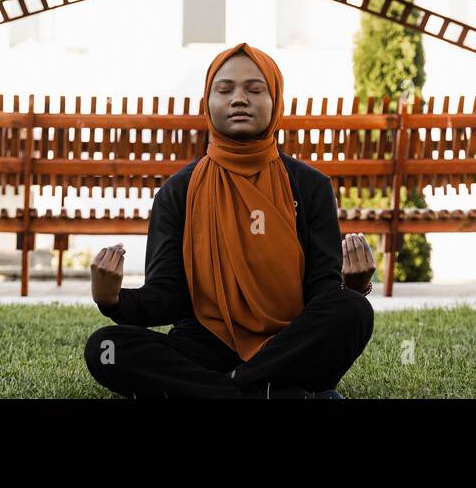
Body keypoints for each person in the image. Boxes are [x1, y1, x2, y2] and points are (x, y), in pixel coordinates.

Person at [84, 42, 376, 399]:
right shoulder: (178, 191)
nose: (239, 99)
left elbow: (322, 296)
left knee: (353, 311)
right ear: (208, 102)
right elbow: (167, 297)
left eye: (255, 89)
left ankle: (223, 389)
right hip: (202, 345)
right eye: (225, 90)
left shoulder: (311, 186)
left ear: (276, 101)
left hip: (285, 347)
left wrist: (354, 288)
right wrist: (112, 300)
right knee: (105, 348)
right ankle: (270, 392)